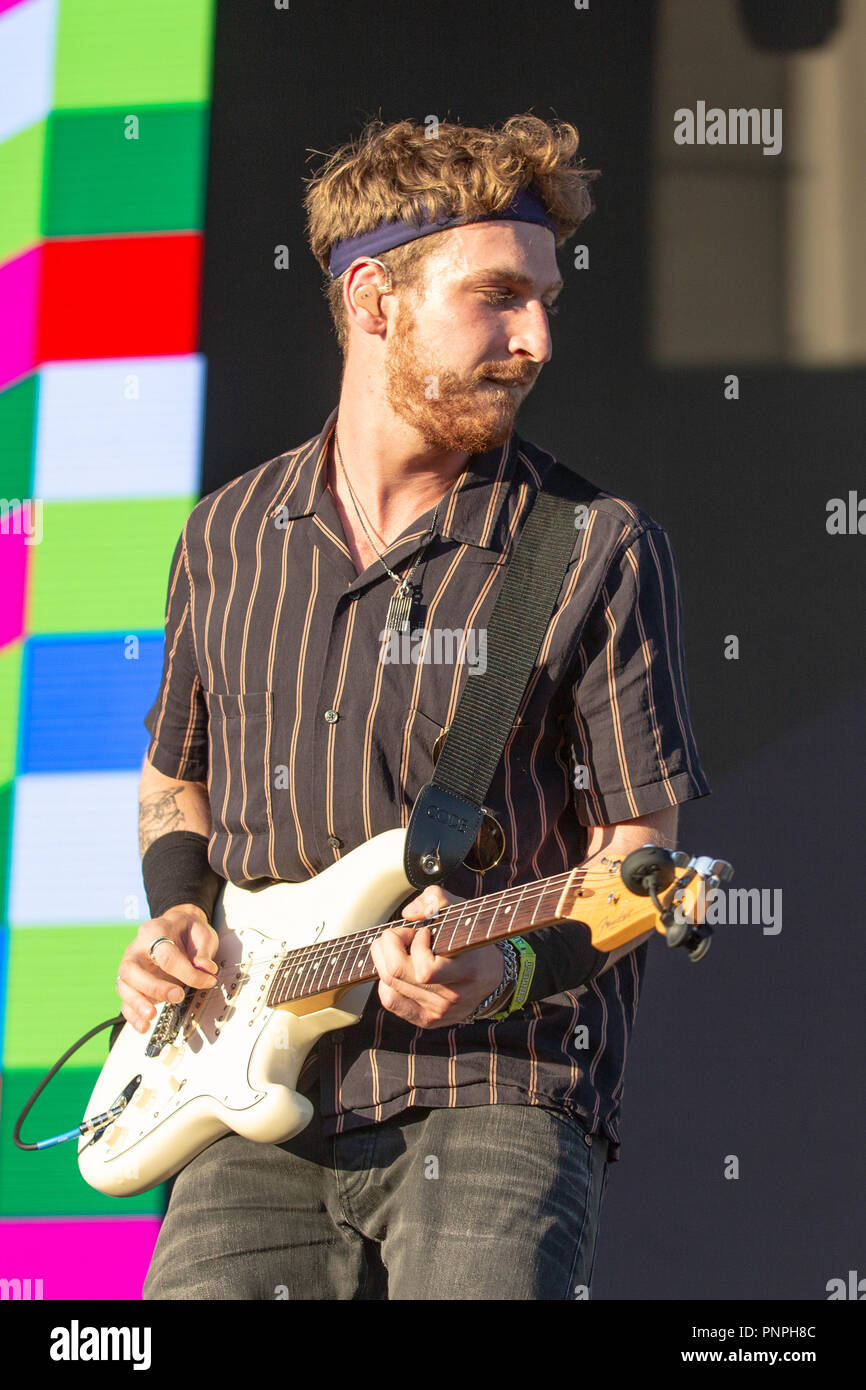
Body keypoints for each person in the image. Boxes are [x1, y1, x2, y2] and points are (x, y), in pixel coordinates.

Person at [117, 114, 711, 1300]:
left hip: (495, 1089)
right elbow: (172, 776)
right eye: (496, 296)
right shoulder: (226, 533)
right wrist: (175, 916)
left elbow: (638, 858)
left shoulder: (590, 546)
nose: (535, 336)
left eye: (544, 299)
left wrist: (503, 973)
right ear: (372, 298)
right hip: (241, 1112)